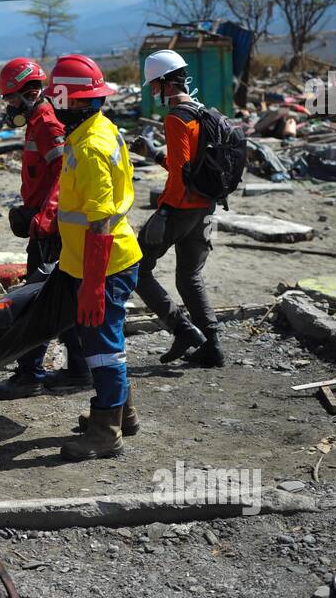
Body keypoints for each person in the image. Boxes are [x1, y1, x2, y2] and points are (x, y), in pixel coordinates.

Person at [44, 55, 143, 462]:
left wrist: (94, 284)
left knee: (101, 349)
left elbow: (100, 222)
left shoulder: (90, 147)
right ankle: (123, 413)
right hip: (92, 260)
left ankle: (106, 433)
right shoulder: (95, 130)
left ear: (74, 102)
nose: (53, 106)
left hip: (104, 263)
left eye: (57, 100)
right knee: (107, 342)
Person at [0, 57, 89, 397]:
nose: (9, 105)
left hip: (52, 228)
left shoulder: (48, 124)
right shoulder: (37, 121)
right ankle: (76, 368)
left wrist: (44, 218)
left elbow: (64, 176)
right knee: (61, 296)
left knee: (38, 300)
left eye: (11, 98)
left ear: (30, 92)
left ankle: (30, 373)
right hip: (46, 222)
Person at [132, 49, 223, 368]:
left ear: (167, 85)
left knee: (136, 269)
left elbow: (181, 173)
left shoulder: (175, 117)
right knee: (189, 277)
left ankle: (182, 330)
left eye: (154, 87)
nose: (154, 93)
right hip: (207, 208)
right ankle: (212, 346)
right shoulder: (203, 114)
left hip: (180, 209)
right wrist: (156, 155)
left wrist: (165, 212)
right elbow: (189, 167)